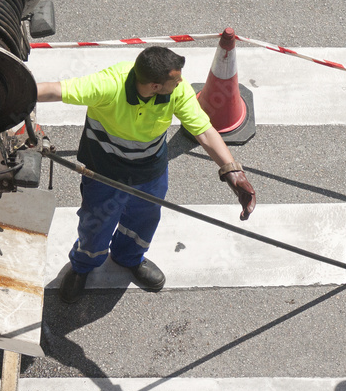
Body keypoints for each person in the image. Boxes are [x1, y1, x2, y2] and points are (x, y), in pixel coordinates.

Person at [37, 46, 257, 303]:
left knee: (144, 220)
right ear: (154, 85)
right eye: (175, 80)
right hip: (105, 174)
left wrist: (233, 172)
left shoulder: (177, 90)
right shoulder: (109, 85)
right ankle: (83, 266)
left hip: (150, 173)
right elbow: (56, 90)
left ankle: (128, 257)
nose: (181, 83)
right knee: (95, 224)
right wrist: (13, 90)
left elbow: (204, 131)